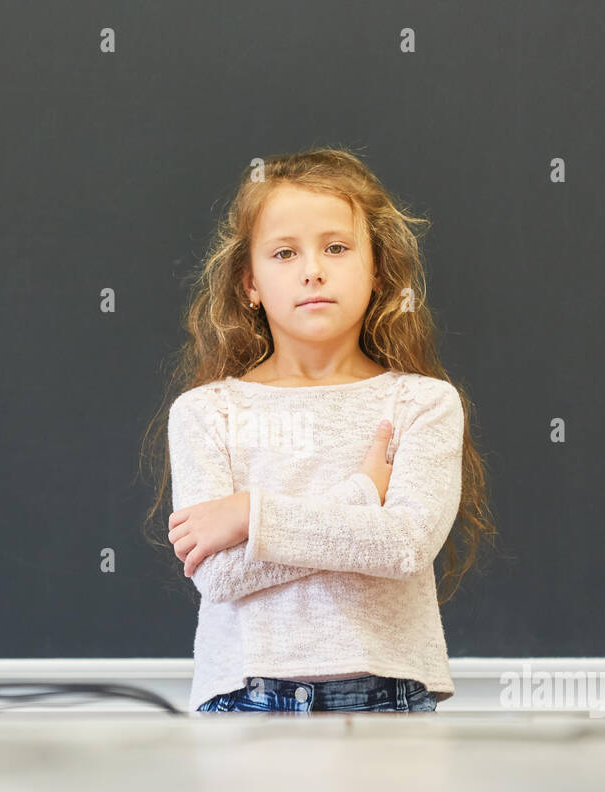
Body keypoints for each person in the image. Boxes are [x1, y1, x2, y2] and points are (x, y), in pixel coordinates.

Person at [140, 146, 498, 714]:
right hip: (243, 697)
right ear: (249, 283)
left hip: (388, 695)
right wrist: (358, 496)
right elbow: (222, 575)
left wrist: (249, 517)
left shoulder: (422, 403)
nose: (313, 269)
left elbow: (404, 546)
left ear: (377, 269)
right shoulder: (206, 412)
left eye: (336, 247)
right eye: (284, 253)